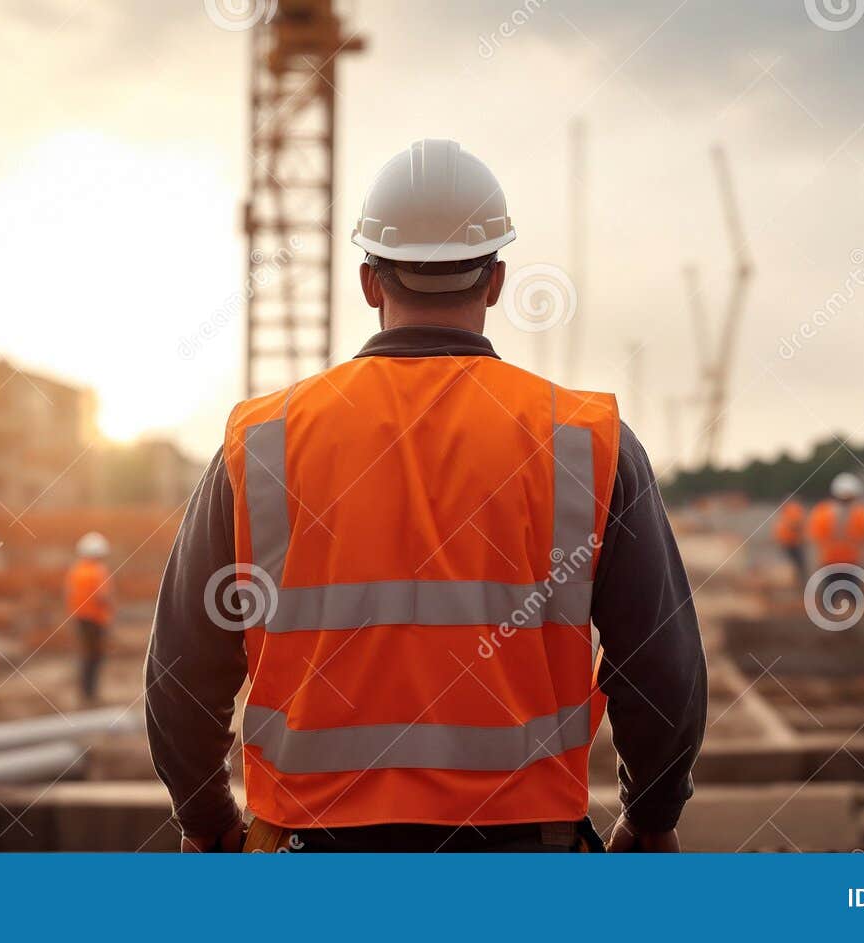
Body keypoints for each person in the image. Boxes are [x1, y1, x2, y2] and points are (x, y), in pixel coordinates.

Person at [145, 139, 706, 854]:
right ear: (497, 280)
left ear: (369, 281)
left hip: (307, 852)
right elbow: (662, 664)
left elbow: (181, 669)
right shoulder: (587, 441)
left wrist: (206, 819)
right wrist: (652, 816)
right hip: (520, 857)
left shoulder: (261, 445)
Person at [65, 531, 114, 705]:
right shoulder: (98, 571)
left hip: (79, 618)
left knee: (85, 655)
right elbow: (103, 596)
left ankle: (84, 692)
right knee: (95, 657)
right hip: (96, 620)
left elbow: (70, 594)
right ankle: (91, 694)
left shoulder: (76, 570)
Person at [806, 472, 864, 573]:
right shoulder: (861, 512)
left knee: (830, 588)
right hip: (853, 562)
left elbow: (814, 536)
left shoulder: (821, 511)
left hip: (828, 562)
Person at [774, 499, 808, 586]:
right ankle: (798, 583)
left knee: (796, 565)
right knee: (797, 565)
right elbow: (795, 525)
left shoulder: (789, 511)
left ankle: (798, 583)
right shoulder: (793, 511)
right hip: (791, 542)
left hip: (791, 542)